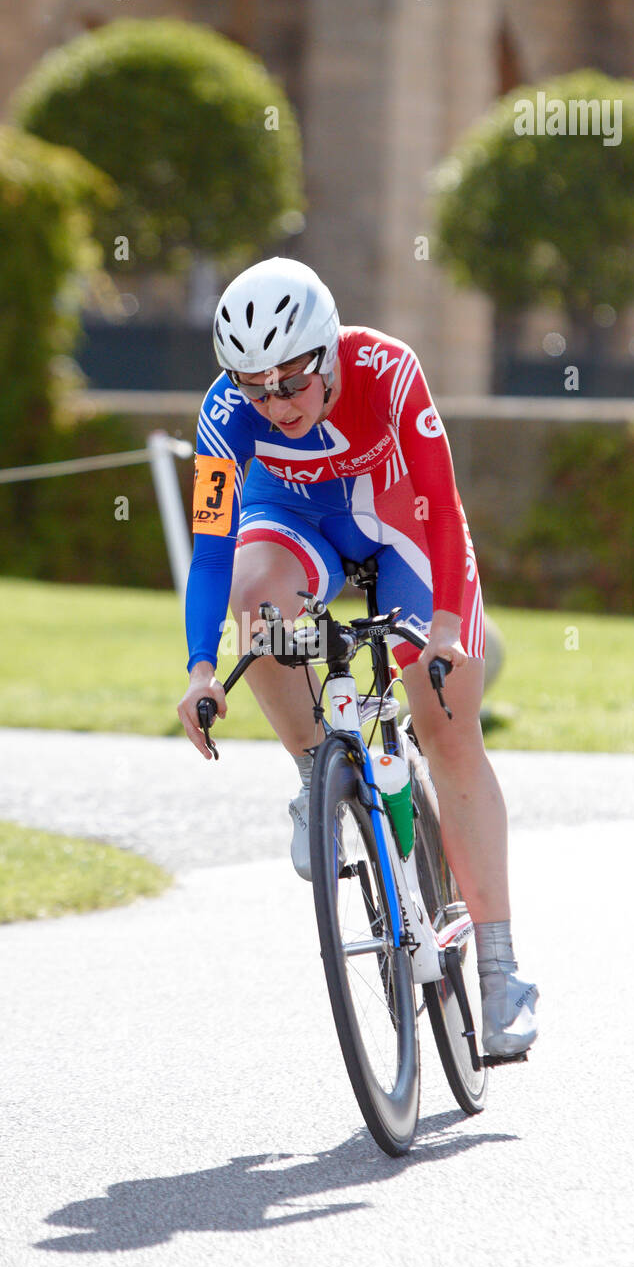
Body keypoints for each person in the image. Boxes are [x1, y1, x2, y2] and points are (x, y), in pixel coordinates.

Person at [176, 256, 538, 1059]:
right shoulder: (223, 415)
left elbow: (442, 504)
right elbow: (208, 550)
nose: (275, 403)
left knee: (446, 728)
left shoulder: (389, 368)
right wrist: (201, 669)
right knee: (257, 613)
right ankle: (321, 774)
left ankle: (501, 970)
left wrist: (443, 626)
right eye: (254, 387)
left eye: (291, 383)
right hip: (293, 522)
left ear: (329, 352)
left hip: (401, 522)